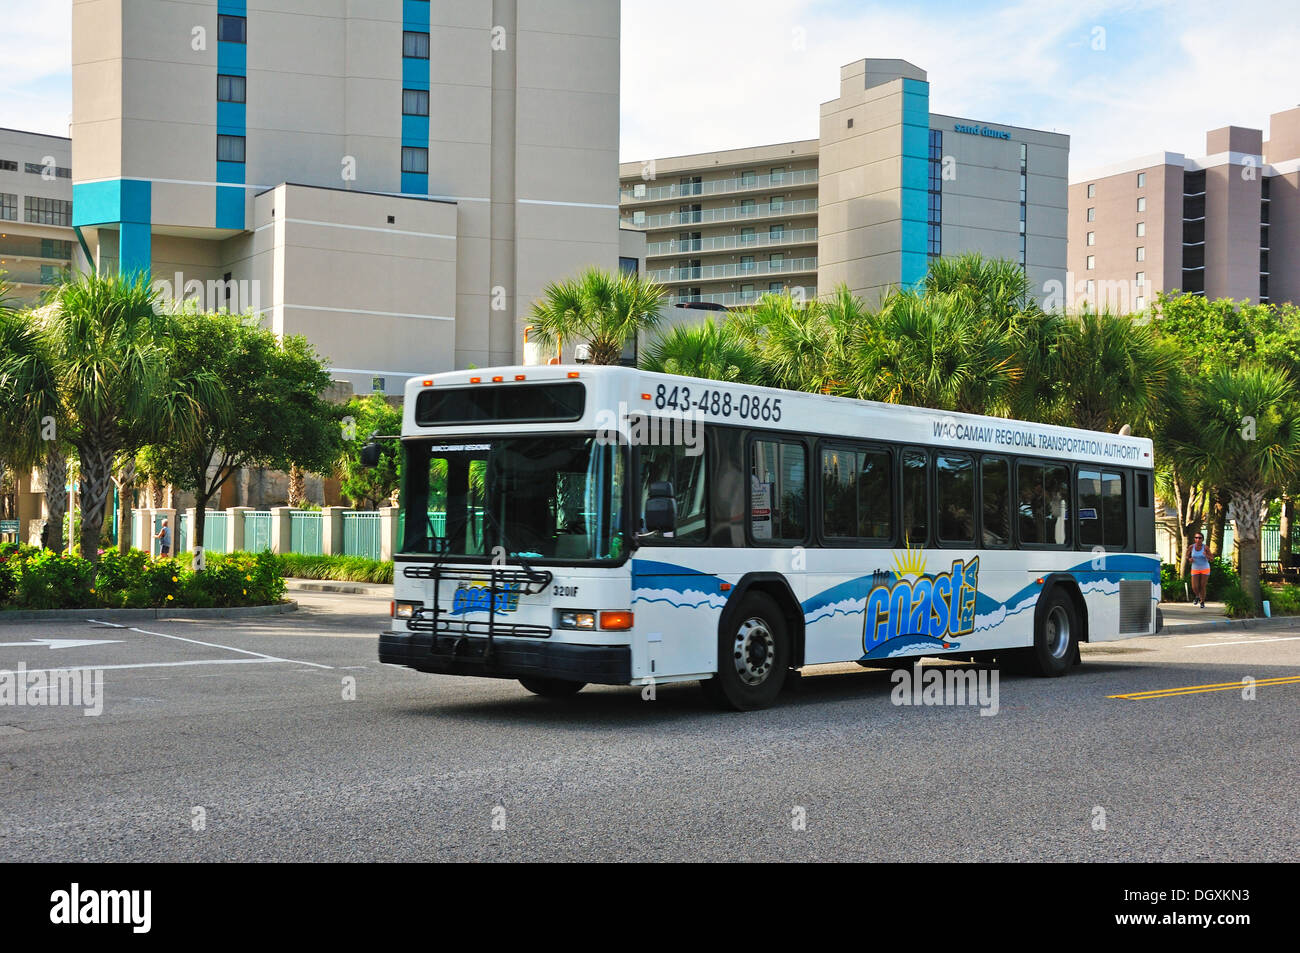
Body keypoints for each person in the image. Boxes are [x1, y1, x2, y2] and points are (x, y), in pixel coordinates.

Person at [1185, 532, 1211, 607]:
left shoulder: (1205, 547)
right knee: (1194, 586)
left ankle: (1202, 602)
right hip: (1195, 568)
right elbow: (1187, 555)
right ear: (1194, 539)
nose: (1198, 539)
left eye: (1199, 538)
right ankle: (1197, 596)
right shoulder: (1191, 547)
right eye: (1196, 538)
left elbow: (1212, 558)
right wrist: (1189, 559)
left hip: (1205, 568)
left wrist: (1206, 555)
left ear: (1202, 539)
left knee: (1202, 586)